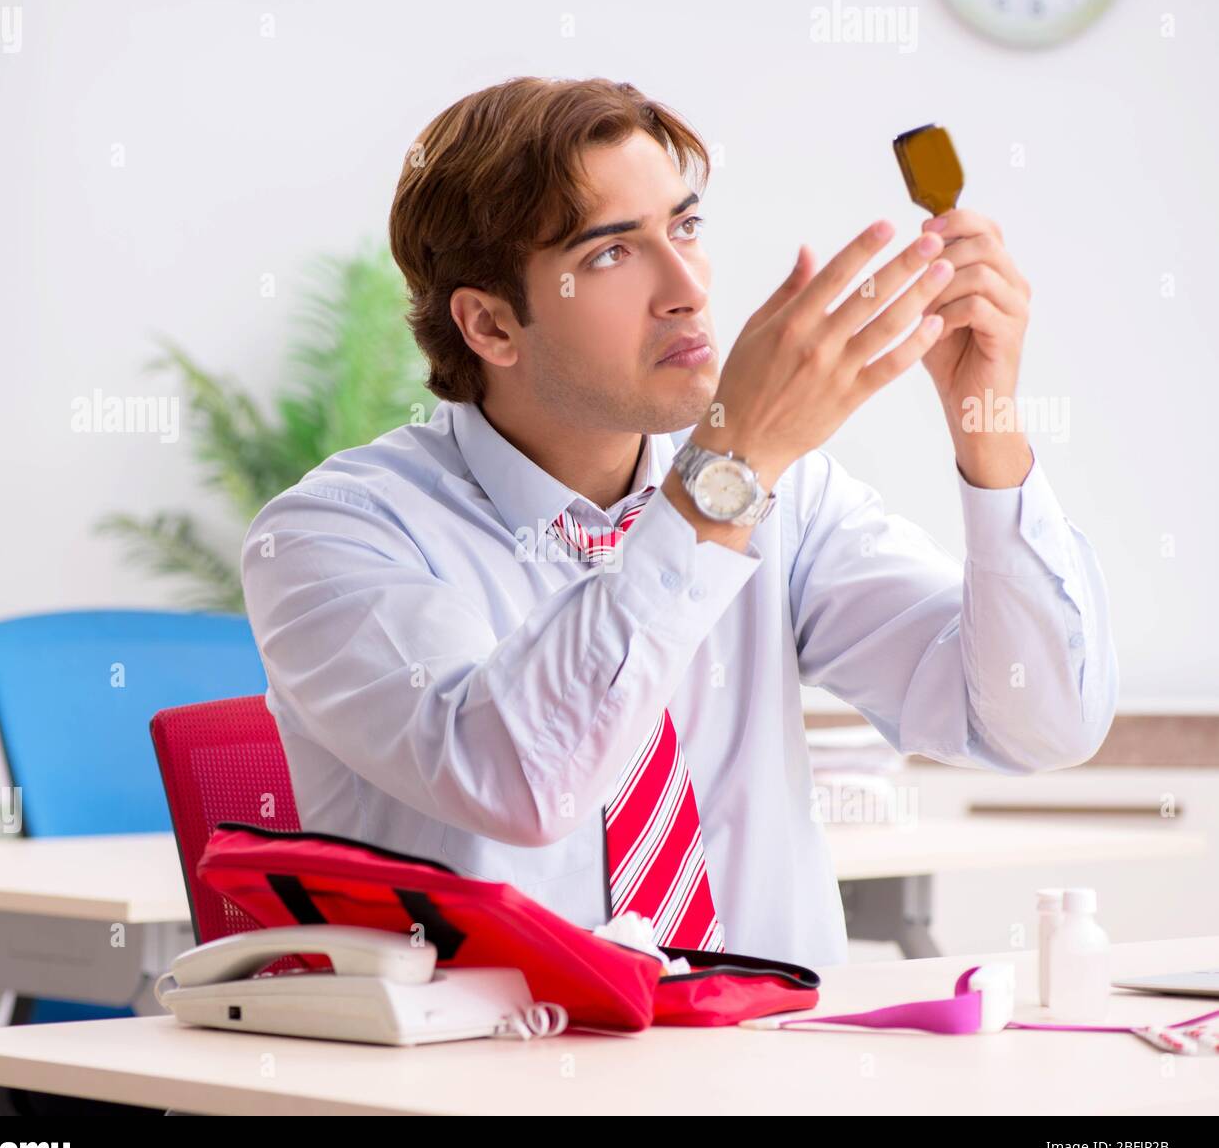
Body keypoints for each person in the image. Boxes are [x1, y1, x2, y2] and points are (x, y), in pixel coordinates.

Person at [241, 77, 1117, 967]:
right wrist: (731, 468)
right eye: (613, 253)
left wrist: (985, 418)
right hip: (498, 1051)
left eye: (686, 226)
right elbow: (520, 781)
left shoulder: (783, 493)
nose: (688, 288)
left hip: (773, 1042)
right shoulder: (333, 534)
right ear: (492, 326)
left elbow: (1037, 725)